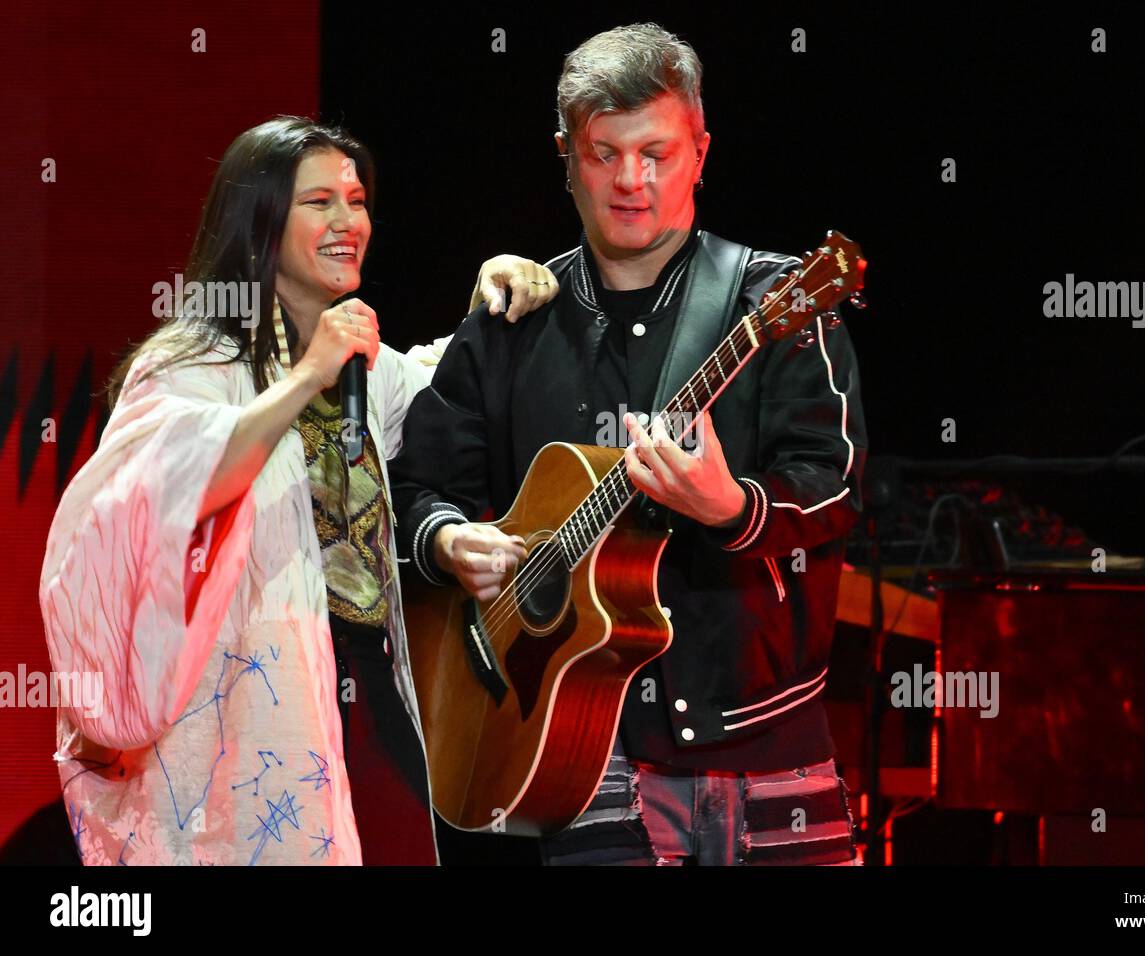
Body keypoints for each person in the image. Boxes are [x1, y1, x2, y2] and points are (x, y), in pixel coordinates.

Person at [390, 24, 868, 865]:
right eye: (604, 153)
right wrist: (446, 539)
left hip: (770, 741)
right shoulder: (510, 322)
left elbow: (834, 487)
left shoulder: (777, 300)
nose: (631, 181)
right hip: (583, 757)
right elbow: (413, 487)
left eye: (657, 151)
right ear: (567, 157)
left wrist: (733, 508)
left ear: (701, 151)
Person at [38, 116, 556, 865]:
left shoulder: (365, 368)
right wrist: (307, 374)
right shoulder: (192, 362)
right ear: (261, 222)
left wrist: (491, 305)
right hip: (247, 710)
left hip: (369, 699)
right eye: (320, 203)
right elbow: (165, 495)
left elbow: (451, 393)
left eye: (356, 199)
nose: (349, 222)